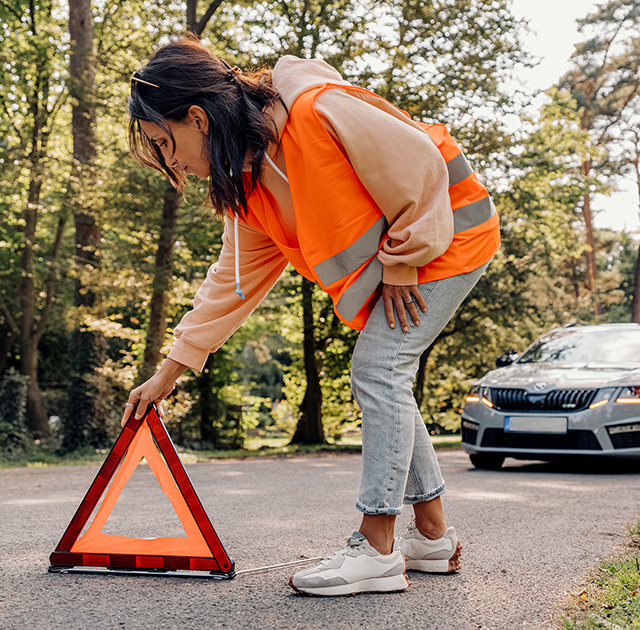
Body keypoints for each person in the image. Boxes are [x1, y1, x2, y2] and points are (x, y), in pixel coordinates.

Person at [121, 37, 499, 596]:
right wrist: (168, 372)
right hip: (414, 255)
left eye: (165, 142)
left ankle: (376, 548)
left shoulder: (316, 108)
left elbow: (420, 164)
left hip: (449, 236)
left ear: (197, 118)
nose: (170, 161)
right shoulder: (247, 187)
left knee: (377, 370)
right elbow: (233, 282)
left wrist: (401, 266)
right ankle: (433, 539)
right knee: (386, 374)